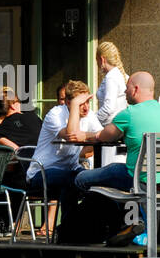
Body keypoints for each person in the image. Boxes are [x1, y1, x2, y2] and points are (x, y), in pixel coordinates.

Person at [63, 71, 160, 242]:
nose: (124, 93)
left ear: (135, 89)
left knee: (80, 178)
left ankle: (72, 231)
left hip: (137, 179)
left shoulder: (130, 113)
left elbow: (103, 136)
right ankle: (123, 224)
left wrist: (85, 136)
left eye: (126, 88)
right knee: (109, 177)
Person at [22, 80, 101, 237]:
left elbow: (102, 136)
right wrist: (74, 110)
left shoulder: (89, 115)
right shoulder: (55, 114)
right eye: (81, 103)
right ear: (68, 103)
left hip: (71, 169)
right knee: (73, 180)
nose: (86, 107)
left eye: (88, 102)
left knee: (96, 182)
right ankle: (68, 232)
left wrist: (89, 139)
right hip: (41, 172)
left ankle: (84, 229)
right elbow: (71, 135)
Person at [94, 40, 129, 126]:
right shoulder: (122, 74)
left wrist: (92, 120)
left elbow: (108, 108)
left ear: (102, 59)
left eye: (97, 60)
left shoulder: (111, 77)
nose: (97, 64)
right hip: (118, 125)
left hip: (109, 127)